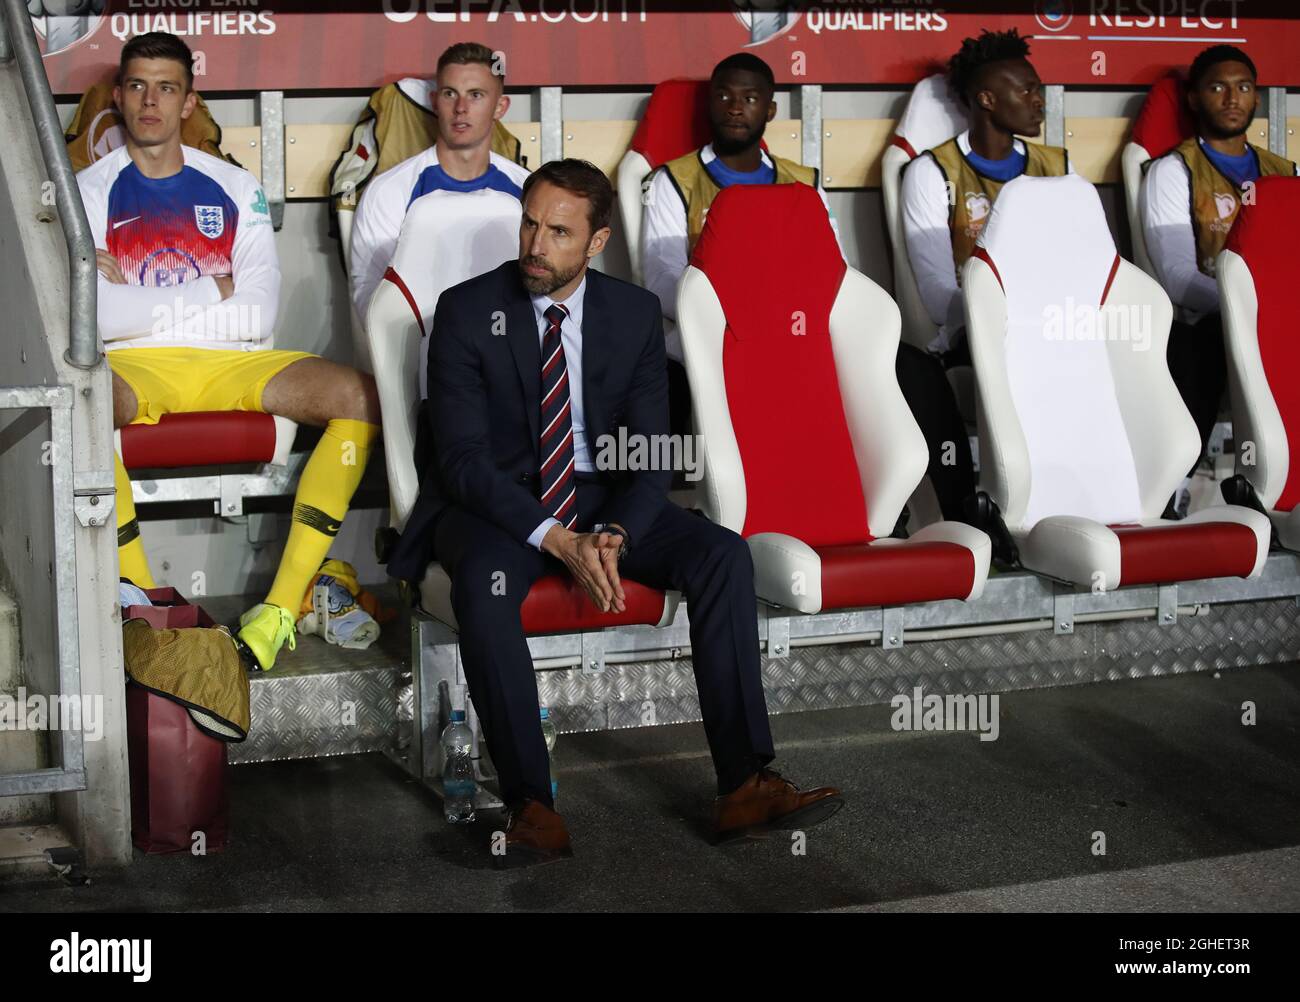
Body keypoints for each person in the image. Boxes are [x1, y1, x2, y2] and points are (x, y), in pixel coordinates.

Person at [388, 159, 842, 866]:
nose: (536, 244)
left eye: (559, 233)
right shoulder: (468, 311)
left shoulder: (629, 314)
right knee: (484, 586)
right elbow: (465, 463)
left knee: (722, 553)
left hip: (602, 501)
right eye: (530, 224)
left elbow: (651, 453)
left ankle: (744, 782)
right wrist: (557, 538)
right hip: (496, 507)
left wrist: (614, 533)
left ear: (596, 243)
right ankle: (531, 803)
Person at [78, 31, 381, 671]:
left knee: (358, 394)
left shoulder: (234, 186)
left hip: (234, 364)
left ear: (189, 101)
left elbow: (258, 311)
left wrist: (140, 301)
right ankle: (145, 606)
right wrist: (210, 289)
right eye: (137, 86)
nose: (150, 101)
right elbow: (97, 319)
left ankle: (277, 611)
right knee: (86, 399)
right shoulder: (89, 190)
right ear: (118, 96)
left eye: (166, 87)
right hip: (136, 368)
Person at [899, 29, 1069, 540]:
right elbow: (934, 293)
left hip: (1056, 327)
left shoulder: (1057, 168)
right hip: (972, 334)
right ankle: (979, 520)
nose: (1039, 101)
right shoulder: (932, 173)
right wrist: (1011, 310)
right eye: (1028, 91)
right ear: (986, 99)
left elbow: (1083, 264)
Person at [641, 53, 836, 437]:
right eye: (724, 96)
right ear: (710, 102)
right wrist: (737, 313)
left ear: (770, 108)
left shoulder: (803, 184)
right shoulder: (674, 180)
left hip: (792, 338)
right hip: (704, 338)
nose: (735, 108)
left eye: (749, 98)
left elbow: (833, 271)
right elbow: (661, 280)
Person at [1141, 45, 1296, 516]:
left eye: (1244, 88)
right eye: (1217, 87)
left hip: (1280, 322)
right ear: (1193, 99)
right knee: (1203, 345)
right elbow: (1177, 279)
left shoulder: (1284, 173)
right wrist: (1248, 310)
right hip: (1207, 320)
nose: (1233, 98)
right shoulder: (1173, 170)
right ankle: (1171, 489)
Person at [348, 41, 531, 346]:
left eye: (476, 95)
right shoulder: (389, 191)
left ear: (500, 107)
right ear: (434, 101)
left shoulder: (526, 188)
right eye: (450, 94)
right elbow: (369, 294)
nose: (461, 108)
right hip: (423, 348)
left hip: (511, 345)